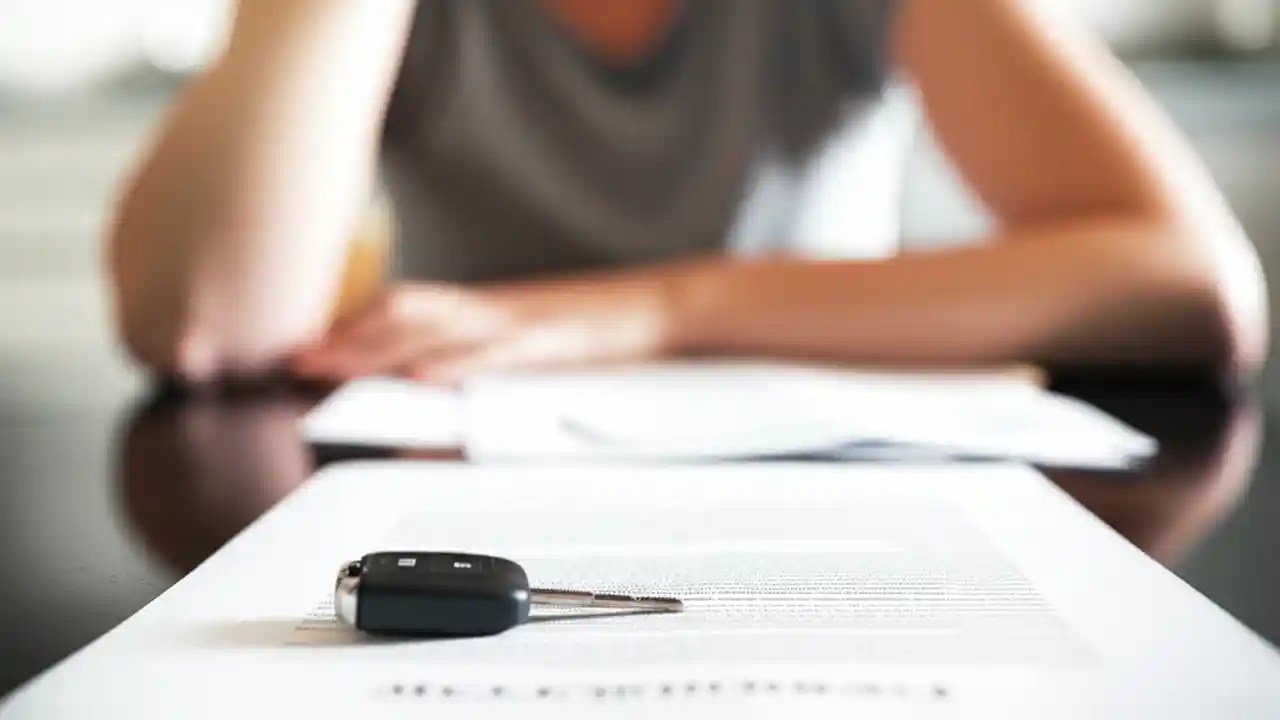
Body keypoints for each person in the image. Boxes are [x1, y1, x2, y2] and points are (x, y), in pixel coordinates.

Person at [108, 0, 1268, 386]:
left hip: (826, 493)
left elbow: (1191, 287)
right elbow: (208, 317)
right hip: (450, 477)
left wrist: (648, 312)